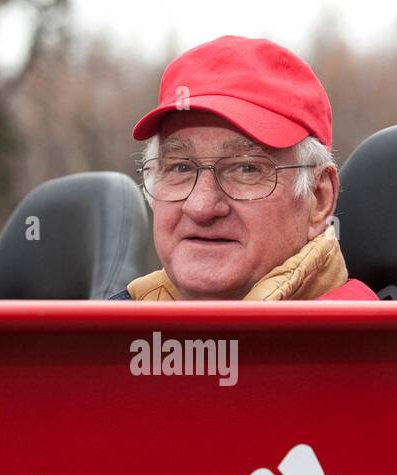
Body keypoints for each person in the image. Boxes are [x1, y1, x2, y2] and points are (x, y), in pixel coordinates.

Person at [111, 35, 377, 301]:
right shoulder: (105, 332)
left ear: (318, 199)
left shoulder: (364, 339)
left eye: (246, 169)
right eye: (180, 168)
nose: (201, 206)